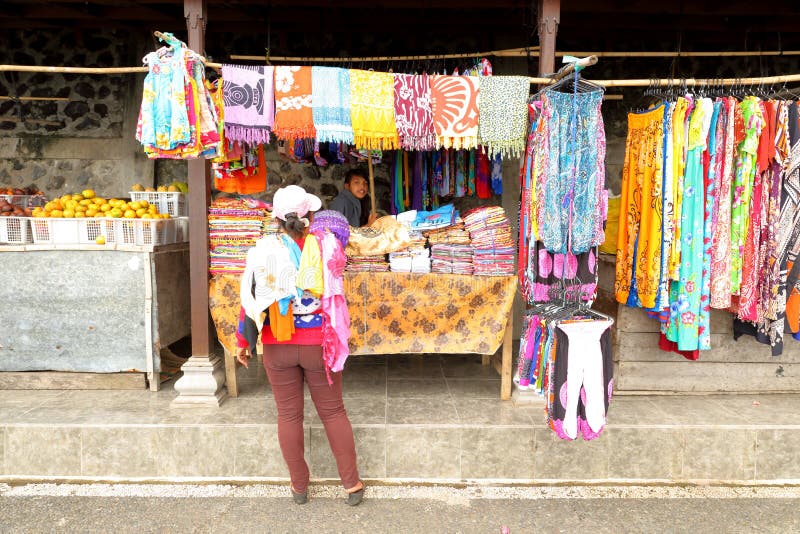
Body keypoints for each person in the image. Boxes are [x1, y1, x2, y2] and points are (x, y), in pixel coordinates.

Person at [235, 185, 364, 506]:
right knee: (334, 412)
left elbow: (249, 298)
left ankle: (299, 486)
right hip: (318, 343)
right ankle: (351, 485)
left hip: (278, 345)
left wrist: (243, 340)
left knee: (288, 416)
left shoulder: (263, 248)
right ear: (309, 214)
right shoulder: (327, 245)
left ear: (276, 217)